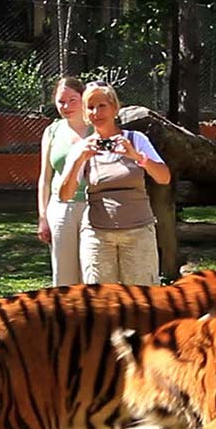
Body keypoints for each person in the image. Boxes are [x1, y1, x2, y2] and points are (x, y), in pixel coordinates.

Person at [59, 81, 170, 285]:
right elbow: (64, 195)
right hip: (98, 234)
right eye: (90, 107)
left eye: (102, 105)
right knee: (101, 301)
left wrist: (136, 156)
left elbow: (164, 177)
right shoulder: (82, 148)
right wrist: (78, 161)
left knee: (142, 300)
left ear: (114, 108)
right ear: (84, 112)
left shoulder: (136, 139)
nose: (96, 112)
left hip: (138, 232)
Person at [36, 77, 88, 286]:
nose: (66, 106)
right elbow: (45, 178)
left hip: (92, 205)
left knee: (91, 269)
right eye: (61, 101)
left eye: (72, 100)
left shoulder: (97, 127)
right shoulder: (52, 131)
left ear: (84, 98)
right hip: (60, 208)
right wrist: (43, 217)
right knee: (64, 274)